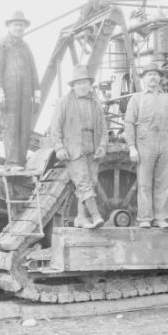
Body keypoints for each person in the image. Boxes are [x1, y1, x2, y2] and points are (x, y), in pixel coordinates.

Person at [48, 65, 108, 228]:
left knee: (92, 181)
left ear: (90, 85)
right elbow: (55, 128)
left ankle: (81, 217)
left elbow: (103, 128)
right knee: (83, 183)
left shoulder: (96, 103)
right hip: (73, 148)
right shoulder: (64, 102)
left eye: (85, 83)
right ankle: (95, 216)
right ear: (73, 85)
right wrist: (59, 147)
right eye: (79, 83)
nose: (82, 86)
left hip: (92, 146)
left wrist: (102, 146)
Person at [123, 63, 168, 228]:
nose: (153, 77)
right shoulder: (137, 99)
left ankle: (161, 218)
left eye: (155, 74)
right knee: (144, 183)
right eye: (149, 74)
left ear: (160, 78)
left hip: (165, 144)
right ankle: (145, 218)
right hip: (145, 145)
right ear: (143, 79)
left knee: (163, 182)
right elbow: (128, 123)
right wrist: (132, 147)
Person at [0, 11, 40, 170]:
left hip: (25, 94)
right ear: (9, 26)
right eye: (16, 25)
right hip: (9, 93)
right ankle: (11, 162)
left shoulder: (26, 47)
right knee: (10, 125)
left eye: (21, 25)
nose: (19, 28)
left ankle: (21, 161)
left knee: (24, 126)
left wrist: (36, 96)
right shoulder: (0, 44)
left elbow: (34, 72)